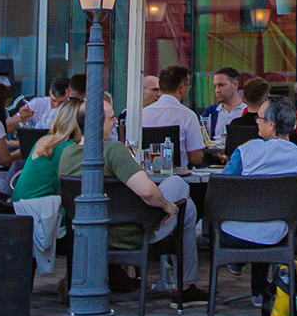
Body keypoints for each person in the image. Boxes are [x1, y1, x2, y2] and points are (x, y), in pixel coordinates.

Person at [59, 93, 206, 302]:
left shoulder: (67, 154)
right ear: (97, 123)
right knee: (178, 185)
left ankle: (187, 285)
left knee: (188, 208)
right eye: (111, 118)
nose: (116, 121)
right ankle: (186, 285)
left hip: (88, 234)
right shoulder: (112, 150)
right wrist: (167, 206)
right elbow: (146, 190)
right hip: (131, 232)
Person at [218, 96, 297, 302]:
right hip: (276, 234)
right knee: (271, 219)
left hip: (233, 233)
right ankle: (260, 291)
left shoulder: (246, 151)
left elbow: (222, 189)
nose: (256, 120)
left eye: (260, 118)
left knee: (256, 216)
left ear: (272, 125)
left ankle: (254, 285)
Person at [11, 98, 82, 275]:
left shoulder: (46, 141)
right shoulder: (69, 148)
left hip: (20, 207)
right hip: (38, 212)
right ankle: (80, 281)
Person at [142, 65, 207, 167]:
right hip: (178, 178)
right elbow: (195, 158)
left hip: (145, 177)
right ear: (181, 88)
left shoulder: (142, 114)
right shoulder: (188, 116)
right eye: (187, 87)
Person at [201, 67, 245, 141]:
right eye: (215, 86)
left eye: (221, 85)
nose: (217, 90)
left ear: (235, 84)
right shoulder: (210, 112)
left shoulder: (247, 111)